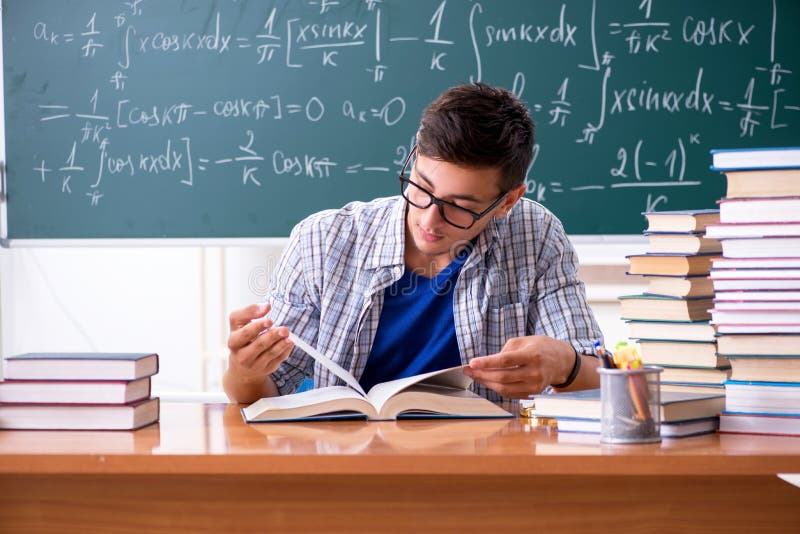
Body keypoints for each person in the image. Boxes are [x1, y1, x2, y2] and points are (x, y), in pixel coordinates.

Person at [224, 82, 603, 404]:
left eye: (460, 207)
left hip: (486, 462)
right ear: (415, 156)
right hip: (349, 460)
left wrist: (565, 365)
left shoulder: (535, 235)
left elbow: (597, 376)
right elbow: (263, 392)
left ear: (507, 202)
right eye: (421, 186)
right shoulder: (322, 241)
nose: (429, 219)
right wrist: (244, 370)